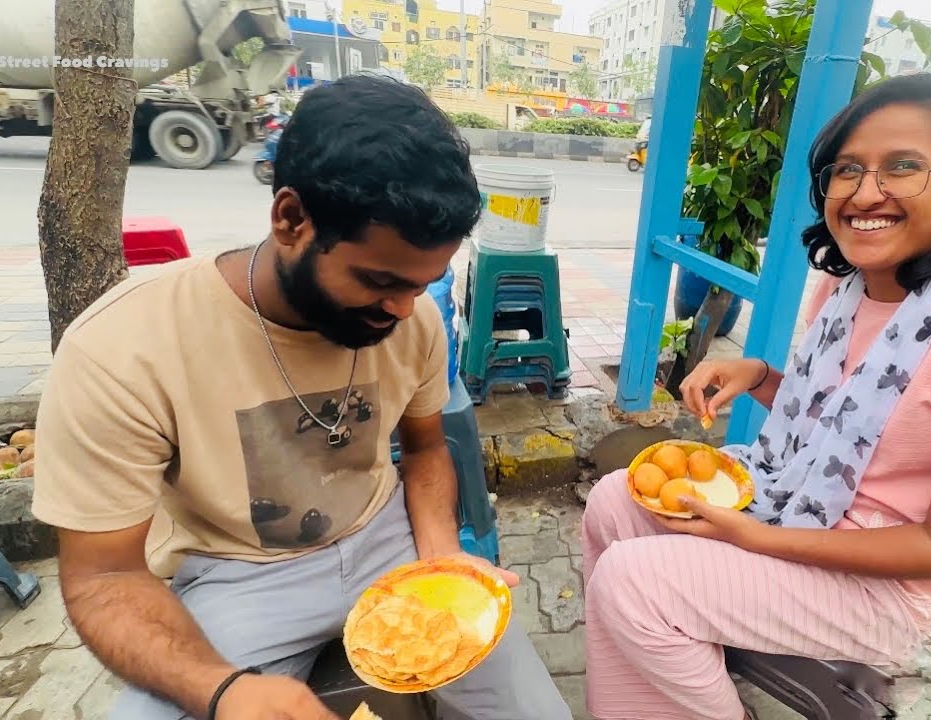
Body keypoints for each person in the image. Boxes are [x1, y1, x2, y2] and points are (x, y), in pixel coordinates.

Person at [31, 74, 571, 720]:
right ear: (290, 219)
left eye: (424, 284)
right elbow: (104, 577)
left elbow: (426, 447)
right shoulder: (123, 346)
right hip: (239, 574)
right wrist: (223, 690)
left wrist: (441, 555)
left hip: (388, 542)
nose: (403, 310)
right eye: (379, 281)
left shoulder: (413, 320)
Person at [580, 73, 931, 720]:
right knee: (613, 500)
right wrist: (760, 376)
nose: (865, 191)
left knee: (634, 583)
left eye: (903, 167)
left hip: (885, 588)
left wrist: (755, 541)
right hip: (787, 503)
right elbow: (846, 425)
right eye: (848, 169)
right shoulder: (845, 289)